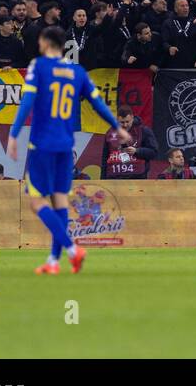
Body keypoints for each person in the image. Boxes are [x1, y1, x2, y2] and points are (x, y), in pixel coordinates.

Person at [6, 26, 121, 275]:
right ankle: (53, 261)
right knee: (59, 202)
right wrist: (116, 126)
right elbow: (97, 102)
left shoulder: (39, 66)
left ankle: (72, 249)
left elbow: (27, 102)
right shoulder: (77, 71)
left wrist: (14, 134)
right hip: (65, 146)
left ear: (46, 42)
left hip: (42, 145)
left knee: (37, 203)